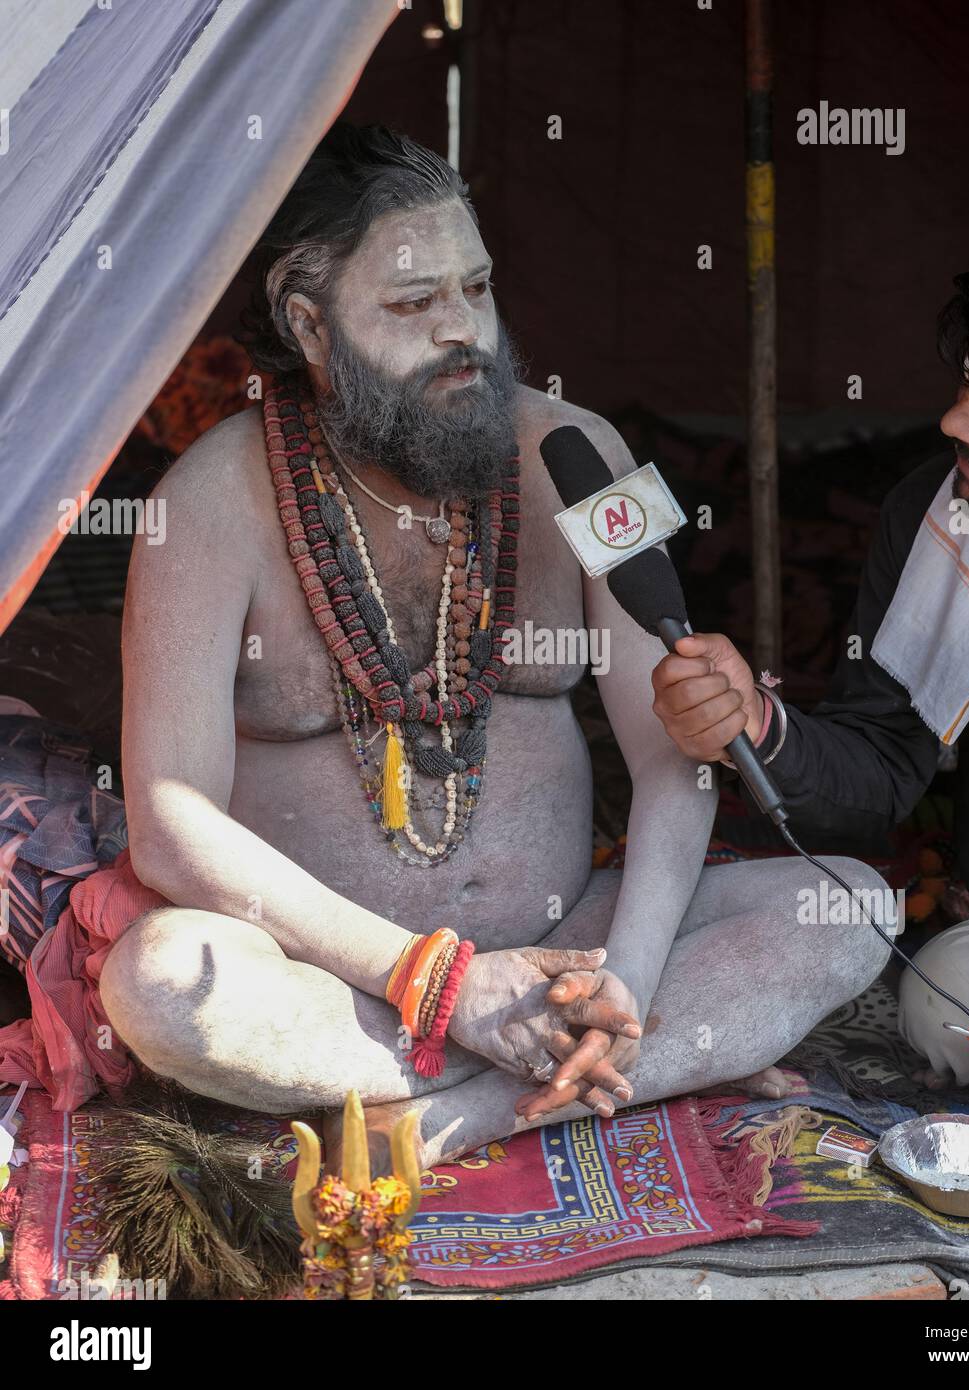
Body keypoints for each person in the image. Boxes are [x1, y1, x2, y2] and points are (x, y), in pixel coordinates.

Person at [91, 122, 888, 1169]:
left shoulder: (590, 456)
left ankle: (461, 1115)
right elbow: (170, 827)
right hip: (343, 988)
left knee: (854, 906)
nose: (464, 330)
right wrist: (444, 985)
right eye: (416, 305)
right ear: (310, 324)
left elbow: (672, 759)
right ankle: (584, 1077)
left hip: (572, 953)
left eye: (477, 288)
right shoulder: (198, 506)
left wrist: (630, 985)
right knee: (159, 981)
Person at [651, 217, 969, 1112]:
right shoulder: (942, 520)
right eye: (966, 385)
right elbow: (877, 772)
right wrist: (757, 724)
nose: (954, 421)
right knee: (952, 1006)